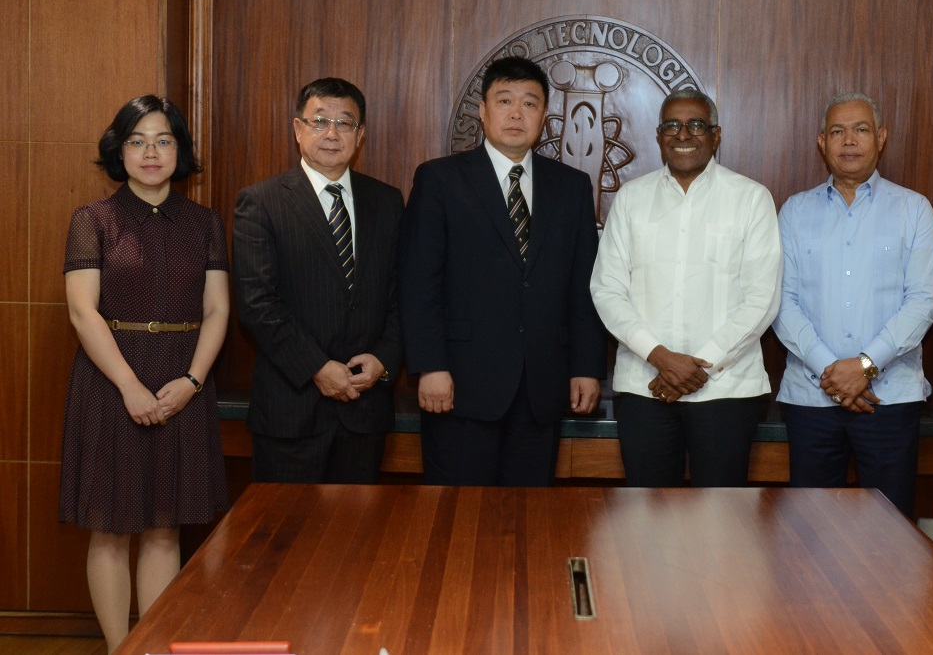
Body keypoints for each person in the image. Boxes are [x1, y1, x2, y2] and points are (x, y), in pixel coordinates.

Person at [59, 95, 229, 653]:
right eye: (137, 141)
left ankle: (154, 645)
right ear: (118, 151)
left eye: (162, 140)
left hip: (184, 381)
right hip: (110, 383)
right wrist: (130, 386)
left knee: (164, 525)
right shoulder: (93, 220)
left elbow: (217, 310)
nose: (150, 152)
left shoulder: (204, 223)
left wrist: (194, 381)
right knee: (109, 527)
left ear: (178, 150)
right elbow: (83, 312)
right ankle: (119, 647)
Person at [401, 56, 606, 486]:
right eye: (505, 100)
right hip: (457, 386)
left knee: (528, 523)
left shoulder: (570, 188)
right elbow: (419, 282)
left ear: (544, 115)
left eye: (529, 103)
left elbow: (583, 288)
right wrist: (430, 366)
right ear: (483, 110)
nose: (517, 113)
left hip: (541, 390)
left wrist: (586, 366)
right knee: (457, 522)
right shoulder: (440, 180)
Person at [590, 89, 781, 486]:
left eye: (696, 125)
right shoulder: (631, 199)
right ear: (658, 136)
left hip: (727, 391)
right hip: (646, 388)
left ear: (716, 135)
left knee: (721, 522)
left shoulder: (750, 198)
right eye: (671, 126)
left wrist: (698, 364)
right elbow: (607, 289)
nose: (683, 135)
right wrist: (660, 357)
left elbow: (762, 299)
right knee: (647, 521)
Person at [771, 91, 933, 519]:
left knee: (891, 535)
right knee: (809, 534)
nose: (850, 140)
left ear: (881, 138)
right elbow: (781, 301)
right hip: (812, 399)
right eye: (838, 131)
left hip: (889, 398)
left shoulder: (914, 210)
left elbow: (922, 302)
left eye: (861, 129)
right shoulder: (794, 211)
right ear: (821, 142)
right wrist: (832, 371)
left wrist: (864, 367)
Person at [233, 78, 404, 484]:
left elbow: (403, 294)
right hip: (292, 410)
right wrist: (316, 367)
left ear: (360, 135)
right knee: (285, 540)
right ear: (297, 129)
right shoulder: (262, 202)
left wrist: (384, 359)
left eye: (345, 123)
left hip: (365, 410)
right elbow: (257, 303)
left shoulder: (387, 201)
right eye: (320, 121)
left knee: (357, 540)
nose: (332, 133)